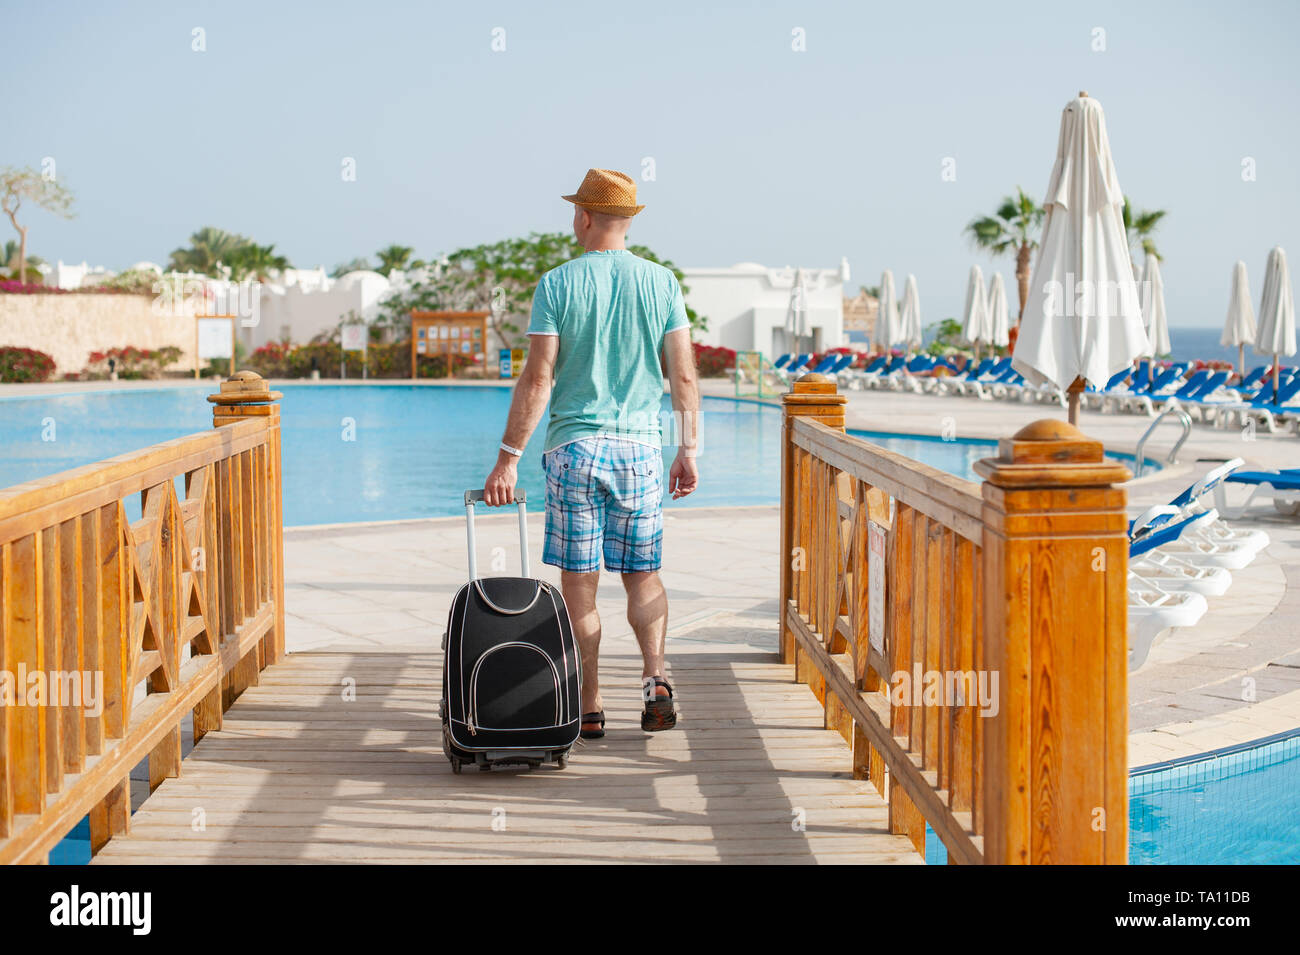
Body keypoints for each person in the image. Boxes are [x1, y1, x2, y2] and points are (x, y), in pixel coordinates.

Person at [482, 167, 699, 738]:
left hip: (574, 449)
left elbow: (538, 379)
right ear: (627, 221)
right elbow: (683, 378)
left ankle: (590, 702)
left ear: (582, 216)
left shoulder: (557, 284)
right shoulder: (662, 283)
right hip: (640, 451)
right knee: (643, 576)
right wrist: (687, 449)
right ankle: (655, 678)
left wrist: (508, 457)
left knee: (580, 582)